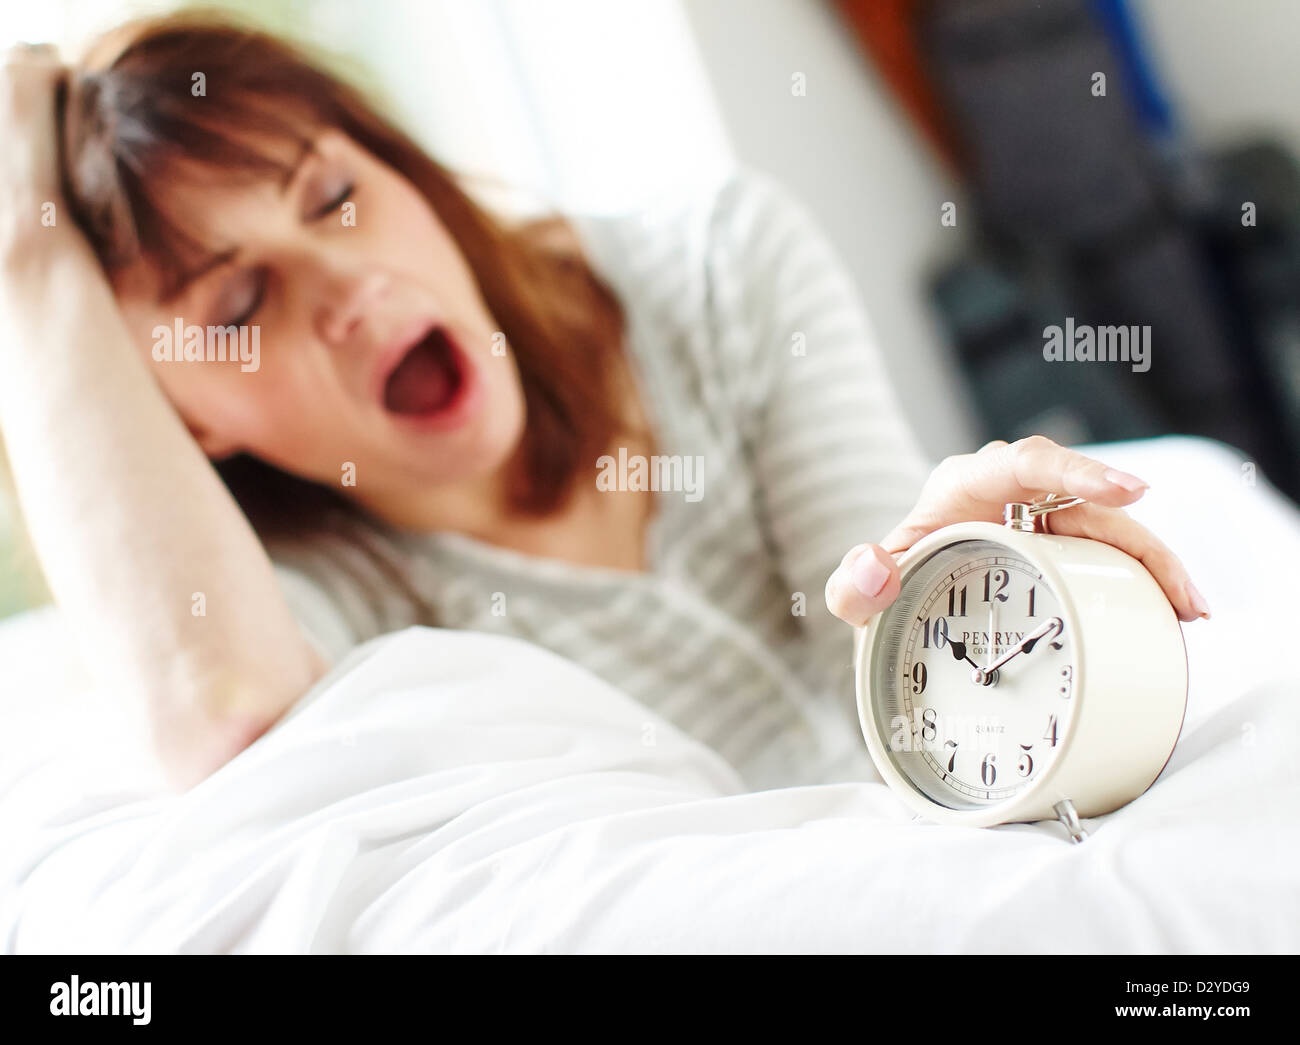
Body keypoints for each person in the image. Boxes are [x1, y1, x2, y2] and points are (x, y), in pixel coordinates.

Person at [0, 16, 1208, 794]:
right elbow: (222, 722)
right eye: (243, 297)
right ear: (186, 421)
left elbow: (863, 609)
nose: (350, 288)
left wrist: (937, 568)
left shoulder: (716, 268)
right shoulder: (296, 600)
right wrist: (25, 258)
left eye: (332, 196)